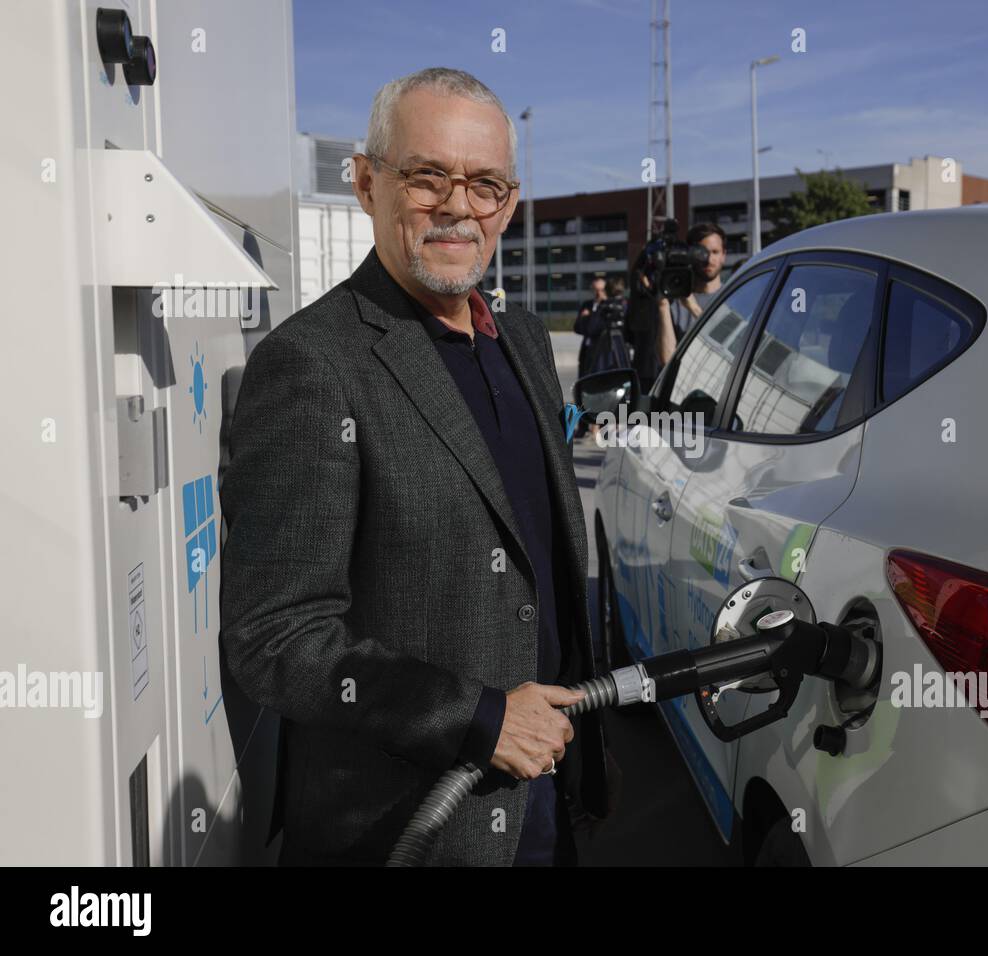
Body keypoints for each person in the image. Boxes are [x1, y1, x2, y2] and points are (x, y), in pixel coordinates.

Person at [219, 67, 610, 867]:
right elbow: (276, 636)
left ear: (511, 197)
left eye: (486, 184)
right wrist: (477, 718)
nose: (459, 206)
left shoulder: (527, 342)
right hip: (411, 832)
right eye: (428, 176)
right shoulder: (313, 364)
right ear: (367, 183)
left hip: (545, 810)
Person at [655, 221, 728, 366]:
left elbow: (731, 350)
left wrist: (694, 309)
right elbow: (666, 360)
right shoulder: (674, 301)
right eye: (702, 253)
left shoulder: (737, 295)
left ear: (724, 255)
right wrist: (663, 306)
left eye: (714, 252)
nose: (708, 260)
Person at [573, 276, 608, 377]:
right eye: (596, 290)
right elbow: (577, 327)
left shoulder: (607, 306)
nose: (598, 293)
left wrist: (589, 316)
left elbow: (595, 328)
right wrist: (584, 320)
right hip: (586, 351)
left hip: (600, 351)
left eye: (601, 290)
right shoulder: (586, 305)